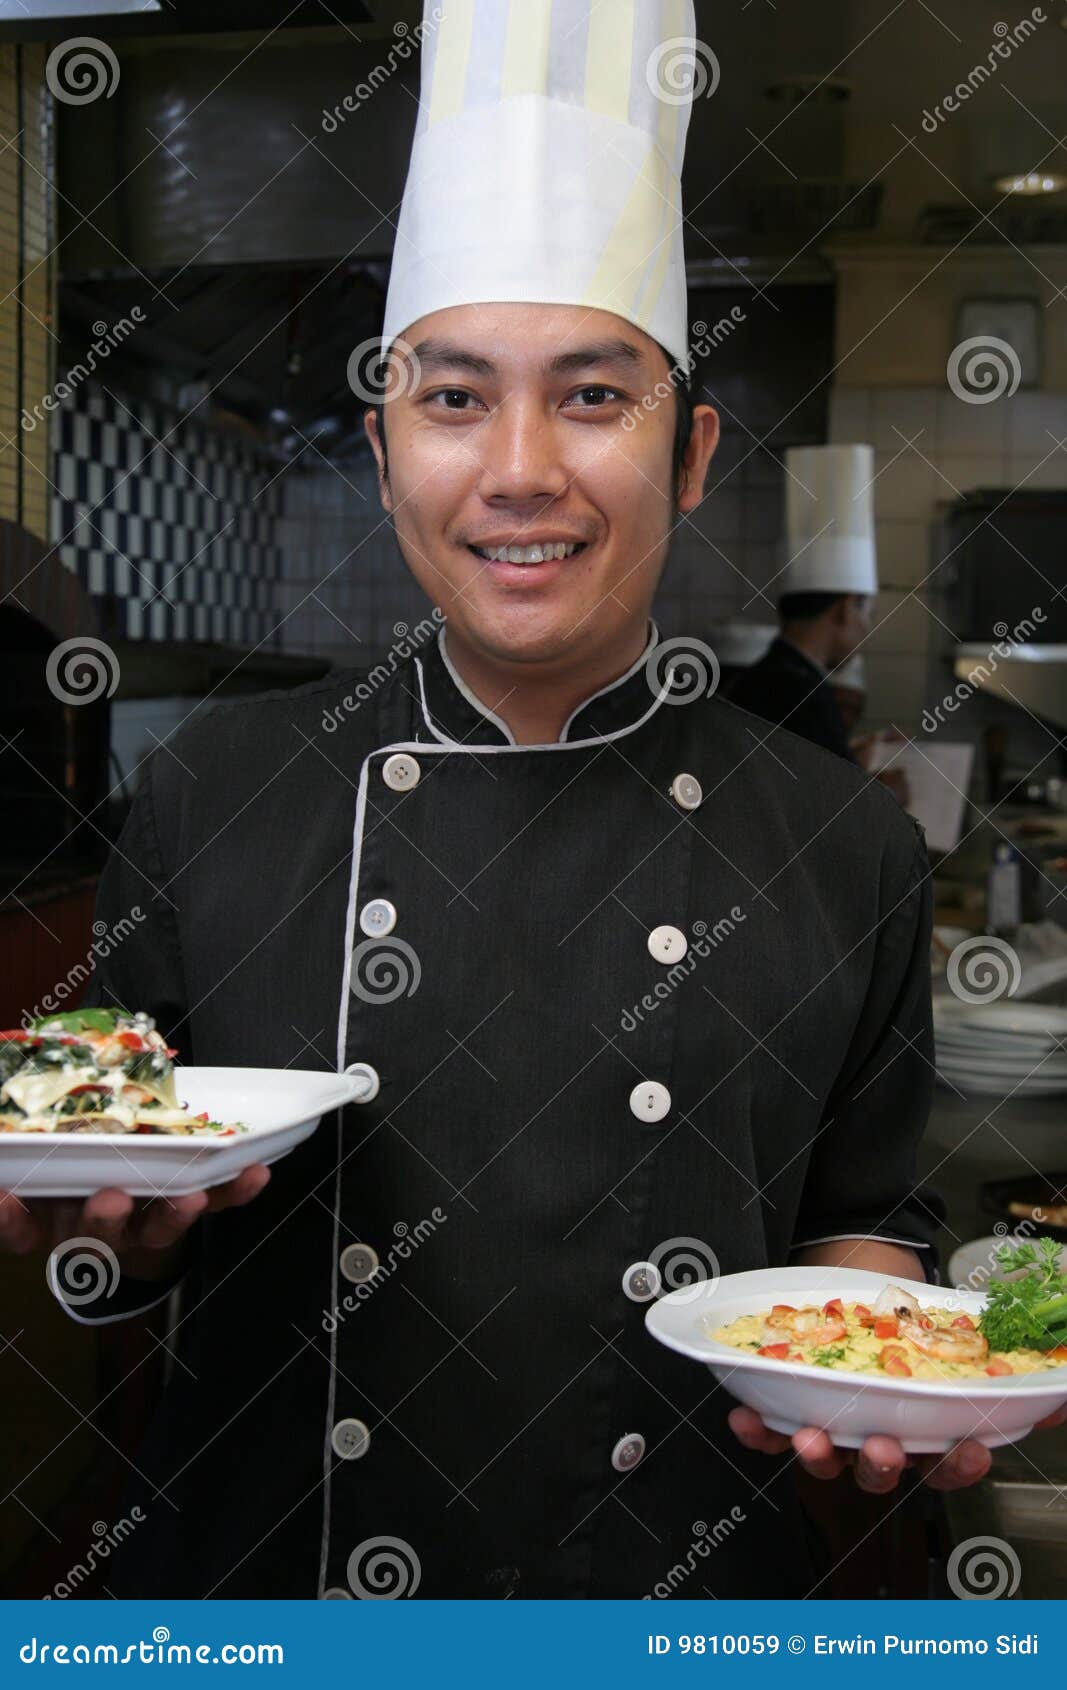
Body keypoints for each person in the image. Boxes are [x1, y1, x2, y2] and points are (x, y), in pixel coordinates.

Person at [4, 0, 1052, 1601]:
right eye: (449, 397)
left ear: (689, 450)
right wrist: (110, 1248)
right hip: (273, 1588)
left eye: (588, 394)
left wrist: (884, 1374)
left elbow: (867, 1218)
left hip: (663, 1595)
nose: (515, 470)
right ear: (378, 446)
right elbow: (113, 1187)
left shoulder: (839, 845)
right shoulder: (209, 789)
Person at [727, 444, 876, 763]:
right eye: (867, 613)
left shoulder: (760, 678)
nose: (867, 629)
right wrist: (886, 795)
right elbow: (831, 808)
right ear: (845, 610)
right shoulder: (806, 695)